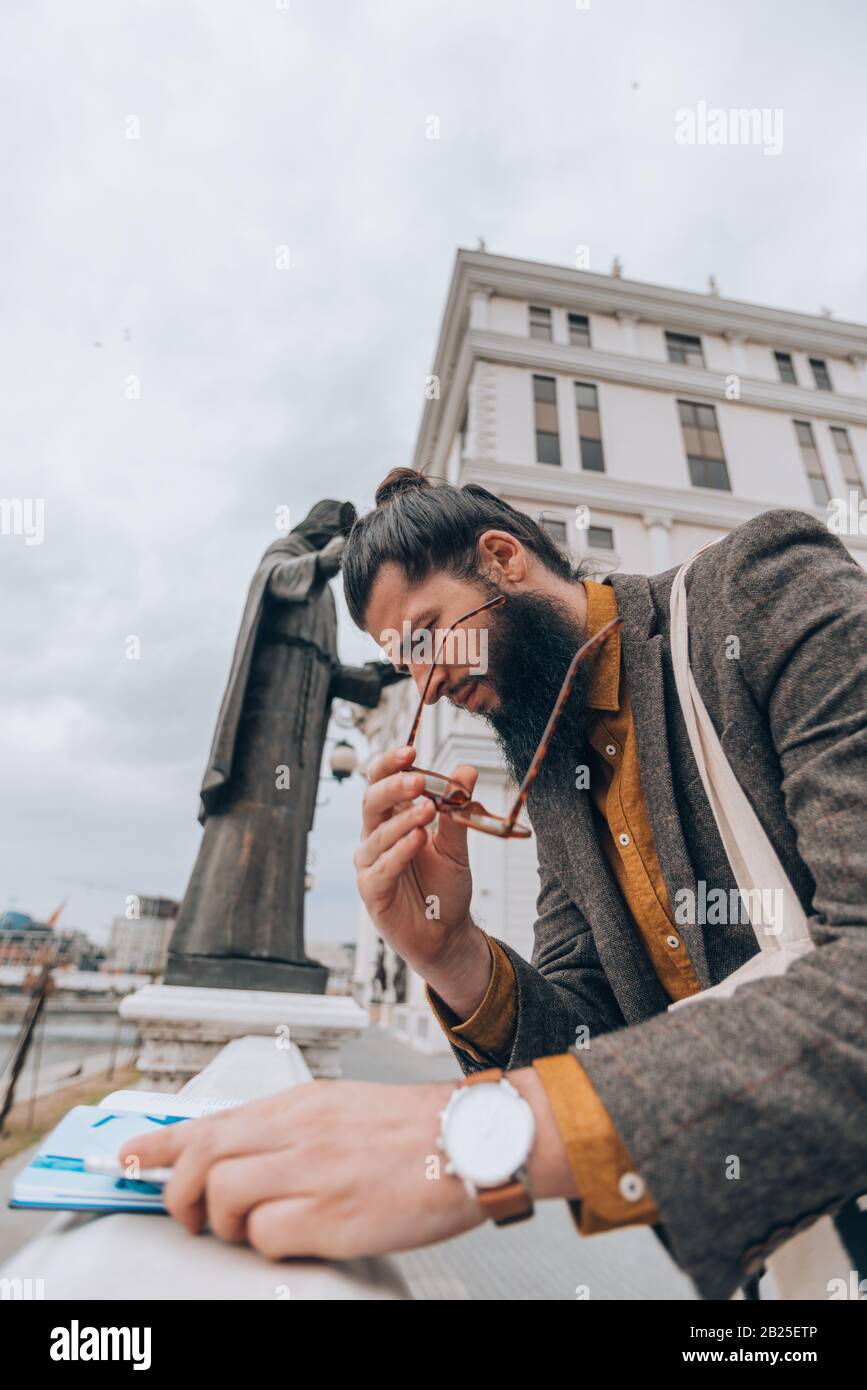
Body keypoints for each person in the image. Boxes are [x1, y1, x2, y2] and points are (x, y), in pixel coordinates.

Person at [123, 468, 867, 1301]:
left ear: (504, 558)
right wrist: (449, 950)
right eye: (404, 663)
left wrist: (473, 1141)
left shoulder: (763, 590)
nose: (428, 681)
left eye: (430, 635)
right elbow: (590, 1031)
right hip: (782, 1238)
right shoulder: (551, 772)